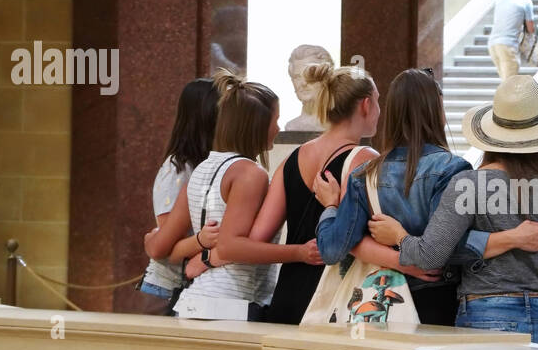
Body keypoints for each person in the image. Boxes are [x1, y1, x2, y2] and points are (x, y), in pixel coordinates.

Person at [368, 75, 538, 350]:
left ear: (492, 135)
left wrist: (400, 236)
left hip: (487, 313)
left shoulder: (469, 185)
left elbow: (431, 256)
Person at [186, 62, 426, 324]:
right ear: (366, 105)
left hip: (287, 297)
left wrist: (211, 257)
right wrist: (403, 261)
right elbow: (351, 240)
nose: (380, 111)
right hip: (334, 301)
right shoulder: (364, 158)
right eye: (379, 102)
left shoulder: (291, 159)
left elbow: (256, 237)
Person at [313, 68, 538, 325]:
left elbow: (332, 250)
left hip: (381, 302)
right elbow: (451, 247)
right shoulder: (453, 169)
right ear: (436, 113)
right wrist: (511, 238)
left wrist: (331, 207)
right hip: (439, 300)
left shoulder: (364, 176)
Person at [145, 72, 281, 319]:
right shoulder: (246, 173)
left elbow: (173, 248)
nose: (280, 128)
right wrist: (301, 253)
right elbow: (168, 248)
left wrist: (204, 252)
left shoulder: (202, 170)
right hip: (219, 299)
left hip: (192, 298)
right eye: (276, 120)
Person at [137, 77, 220, 314]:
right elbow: (165, 244)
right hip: (168, 289)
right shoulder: (178, 169)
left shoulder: (211, 165)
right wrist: (205, 240)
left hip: (196, 285)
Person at [488, 0, 534, 80]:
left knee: (506, 81)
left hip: (493, 44)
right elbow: (531, 28)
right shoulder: (525, 1)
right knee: (510, 84)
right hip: (508, 45)